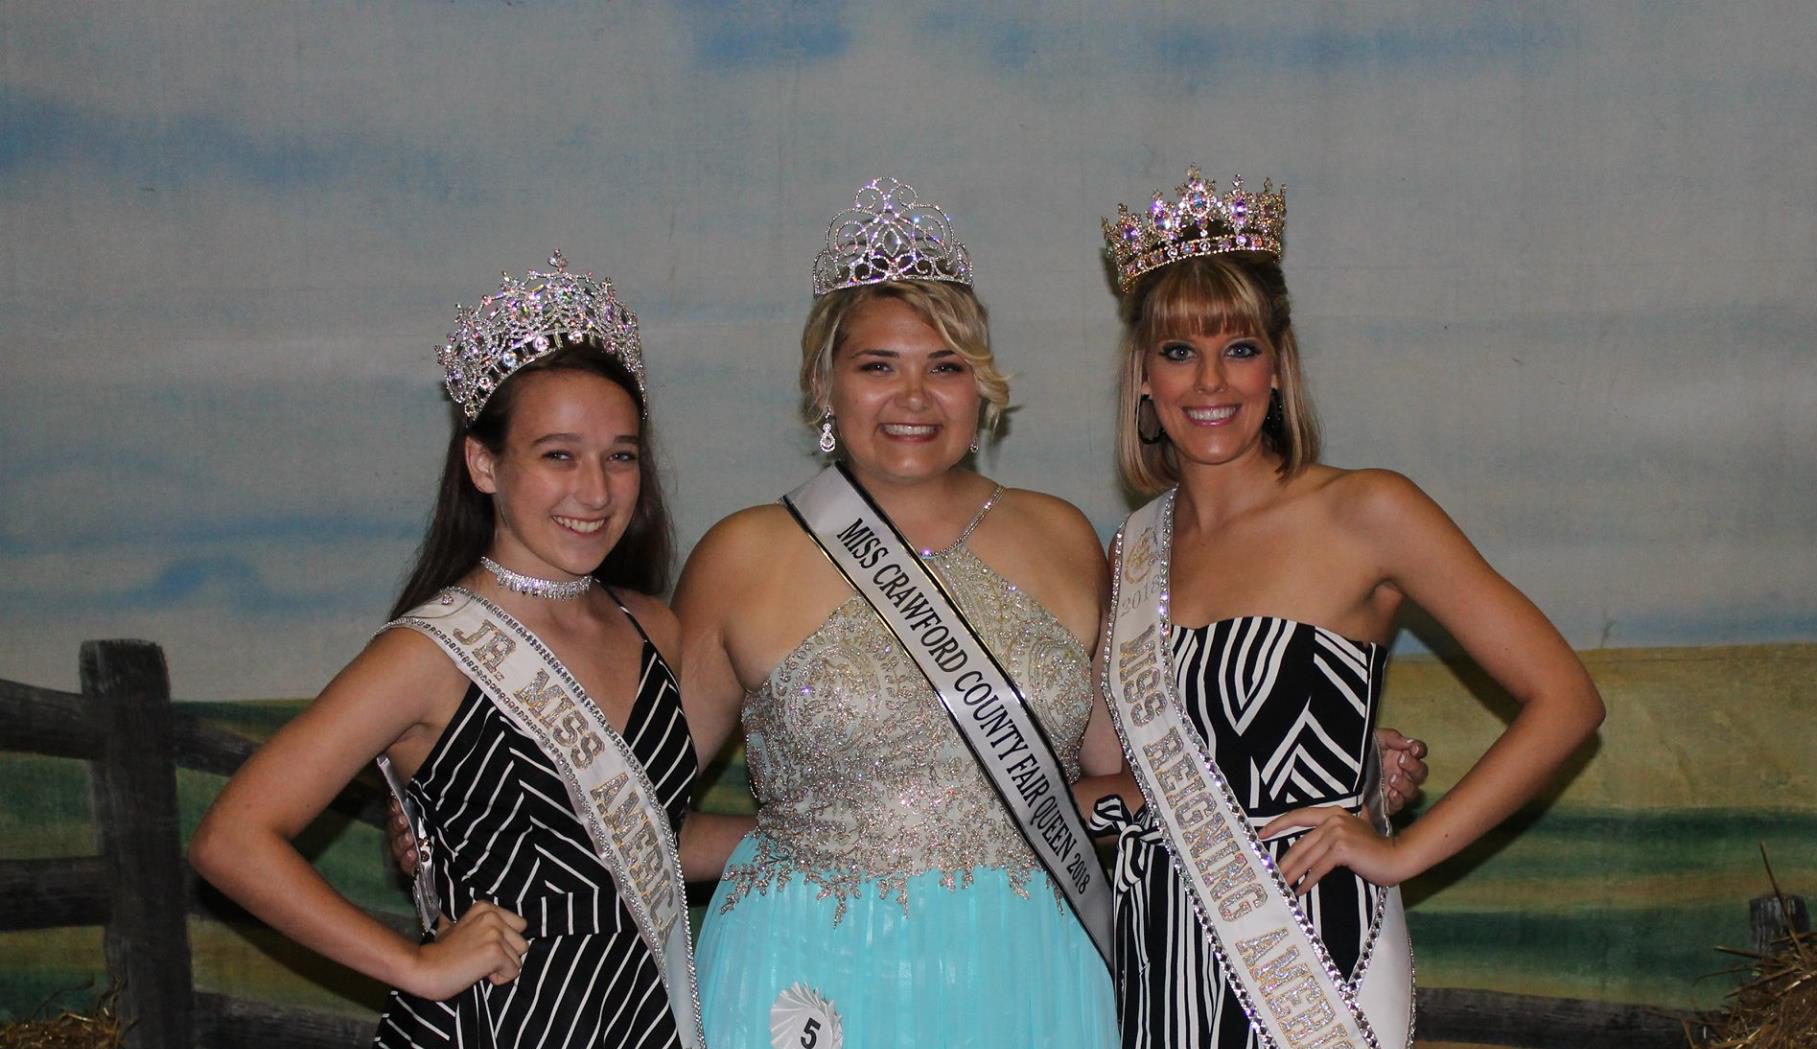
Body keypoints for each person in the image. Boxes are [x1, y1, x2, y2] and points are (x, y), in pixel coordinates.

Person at [1094, 169, 1606, 1049]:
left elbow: (1566, 701)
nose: (1210, 379)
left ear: (1279, 366)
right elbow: (1112, 773)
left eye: (1239, 347)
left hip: (1312, 946)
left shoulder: (1367, 511)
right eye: (1179, 352)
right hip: (1160, 949)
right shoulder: (1131, 551)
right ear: (1143, 377)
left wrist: (1401, 850)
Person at [189, 253, 718, 1048]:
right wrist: (415, 963)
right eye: (557, 454)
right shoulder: (427, 652)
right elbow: (230, 840)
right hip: (498, 1022)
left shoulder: (656, 627)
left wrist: (814, 834)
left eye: (620, 454)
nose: (596, 490)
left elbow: (637, 840)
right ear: (483, 462)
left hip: (644, 1015)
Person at [676, 178, 1127, 1048]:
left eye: (944, 366)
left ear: (981, 386)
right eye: (878, 365)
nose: (913, 397)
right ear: (824, 382)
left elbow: (1113, 777)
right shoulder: (743, 554)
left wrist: (1318, 774)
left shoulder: (1061, 534)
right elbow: (640, 807)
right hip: (808, 962)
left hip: (1028, 963)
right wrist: (803, 845)